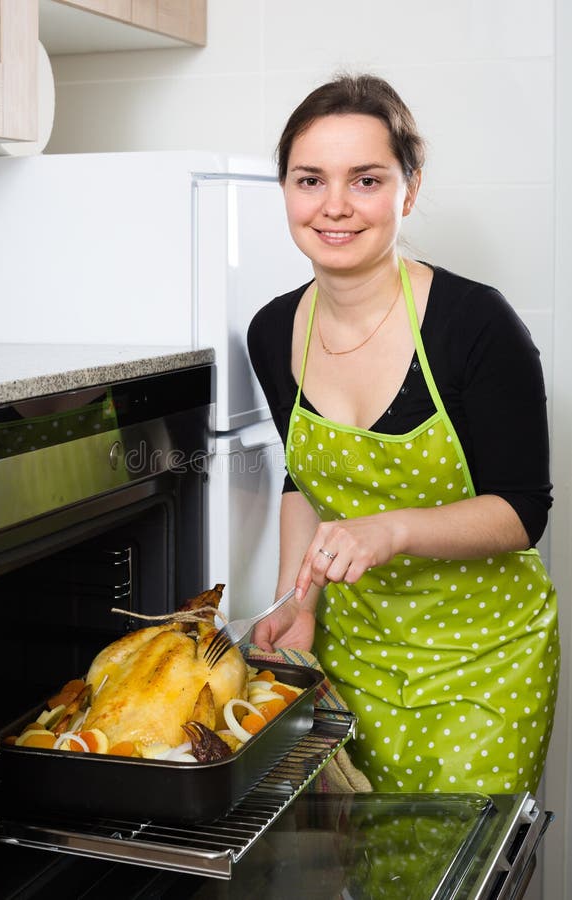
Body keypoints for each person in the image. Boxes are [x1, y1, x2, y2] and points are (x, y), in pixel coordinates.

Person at [248, 73, 559, 793]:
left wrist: (389, 530)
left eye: (364, 179)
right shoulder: (271, 332)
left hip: (481, 662)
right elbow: (303, 480)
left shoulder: (475, 323)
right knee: (355, 868)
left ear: (407, 190)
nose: (332, 206)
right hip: (348, 653)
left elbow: (521, 510)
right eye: (308, 179)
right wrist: (296, 603)